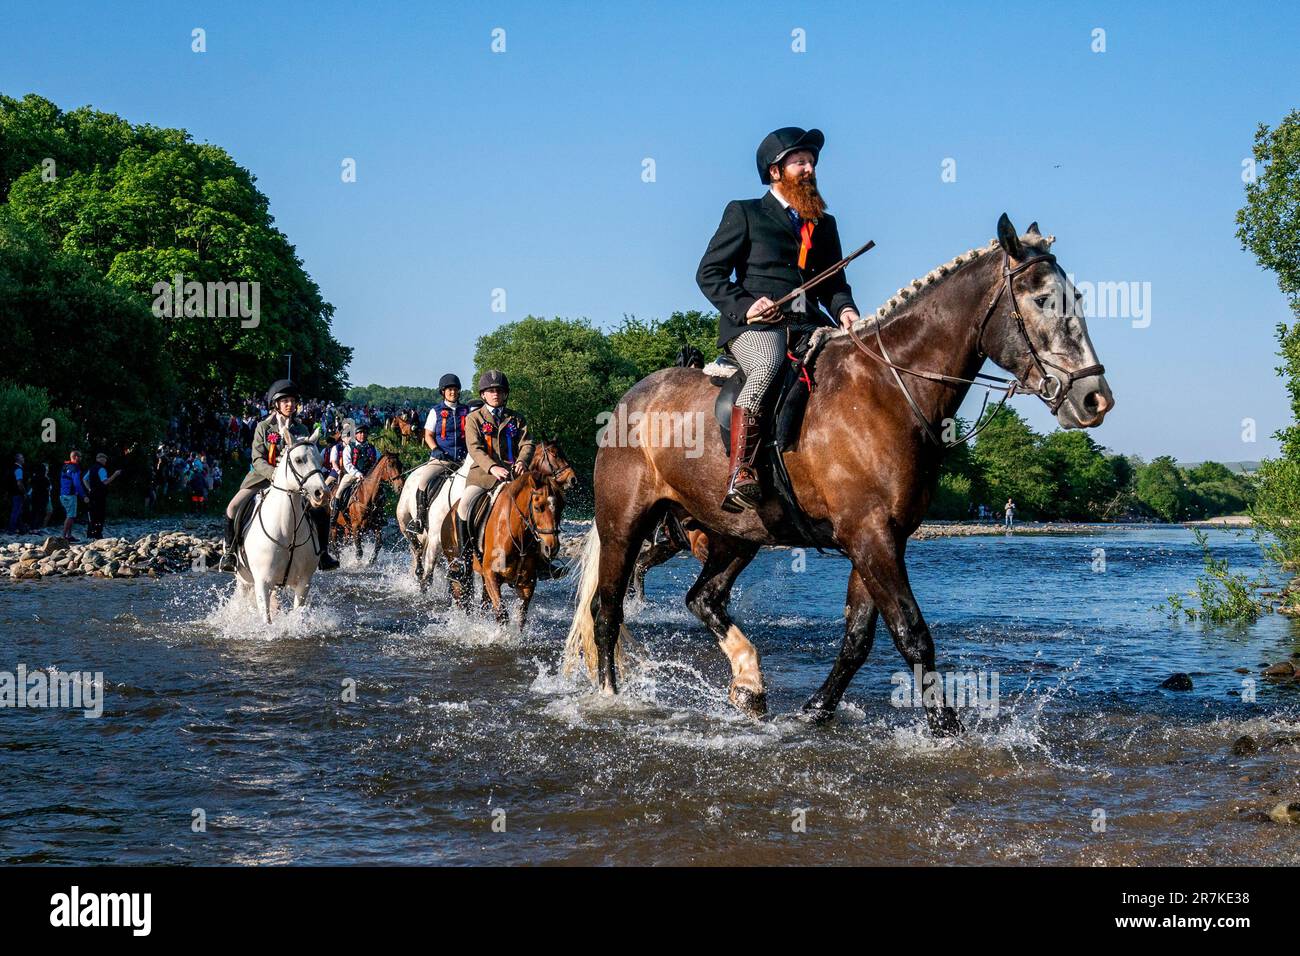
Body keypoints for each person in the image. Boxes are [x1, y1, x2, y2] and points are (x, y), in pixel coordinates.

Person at [696, 126, 861, 513]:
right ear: (775, 171)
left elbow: (833, 283)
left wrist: (846, 310)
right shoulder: (745, 212)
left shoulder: (825, 224)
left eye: (812, 162)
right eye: (800, 162)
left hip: (810, 323)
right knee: (768, 365)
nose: (809, 169)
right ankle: (743, 471)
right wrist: (748, 305)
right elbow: (710, 274)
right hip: (756, 325)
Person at [219, 379, 339, 573]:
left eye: (292, 401)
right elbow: (257, 459)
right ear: (276, 404)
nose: (290, 404)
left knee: (323, 508)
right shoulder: (263, 427)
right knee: (232, 507)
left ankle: (323, 554)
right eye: (285, 401)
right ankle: (231, 553)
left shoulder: (301, 430)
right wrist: (274, 474)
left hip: (294, 483)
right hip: (262, 478)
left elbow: (307, 458)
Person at [453, 370, 535, 577]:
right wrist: (492, 467)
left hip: (514, 476)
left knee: (538, 506)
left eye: (499, 390)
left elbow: (527, 443)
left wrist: (522, 461)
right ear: (483, 395)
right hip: (482, 476)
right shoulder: (474, 418)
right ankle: (463, 560)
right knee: (464, 507)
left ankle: (541, 559)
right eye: (490, 391)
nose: (495, 394)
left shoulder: (517, 418)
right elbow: (474, 448)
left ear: (505, 394)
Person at [406, 373, 471, 534]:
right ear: (443, 391)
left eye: (455, 389)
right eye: (449, 389)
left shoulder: (466, 410)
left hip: (464, 459)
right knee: (424, 480)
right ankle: (420, 519)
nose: (453, 392)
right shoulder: (436, 411)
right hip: (442, 458)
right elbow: (428, 435)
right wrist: (436, 449)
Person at [332, 423, 377, 521]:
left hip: (369, 477)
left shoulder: (372, 448)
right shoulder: (349, 448)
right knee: (339, 492)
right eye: (360, 433)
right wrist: (358, 474)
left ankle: (380, 516)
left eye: (364, 433)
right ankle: (334, 516)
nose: (362, 435)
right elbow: (347, 464)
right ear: (355, 435)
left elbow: (377, 462)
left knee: (381, 493)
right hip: (352, 475)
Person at [84, 452, 121, 539]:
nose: (105, 461)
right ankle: (98, 534)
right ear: (101, 459)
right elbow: (105, 482)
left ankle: (90, 534)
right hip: (100, 495)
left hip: (92, 494)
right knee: (100, 514)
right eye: (105, 459)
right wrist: (115, 474)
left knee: (92, 514)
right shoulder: (101, 469)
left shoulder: (91, 468)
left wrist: (89, 489)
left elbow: (84, 479)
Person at [59, 450, 88, 541]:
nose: (81, 458)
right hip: (70, 495)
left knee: (70, 515)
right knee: (70, 516)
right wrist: (84, 496)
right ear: (75, 457)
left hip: (63, 494)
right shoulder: (75, 468)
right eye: (80, 457)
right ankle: (63, 537)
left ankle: (68, 535)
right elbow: (77, 483)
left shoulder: (65, 466)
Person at [6, 453, 28, 534]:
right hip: (17, 493)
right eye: (22, 457)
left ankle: (21, 529)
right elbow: (19, 483)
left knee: (18, 511)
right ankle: (11, 529)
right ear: (18, 459)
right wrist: (24, 493)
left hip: (12, 492)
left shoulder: (12, 468)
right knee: (16, 511)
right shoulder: (18, 469)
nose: (23, 459)